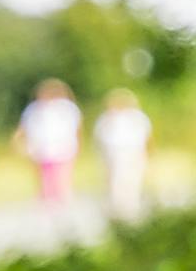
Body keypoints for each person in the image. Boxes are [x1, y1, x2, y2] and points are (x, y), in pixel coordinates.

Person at [15, 78, 82, 203]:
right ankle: (48, 201)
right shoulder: (34, 109)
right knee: (45, 178)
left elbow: (74, 128)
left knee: (61, 177)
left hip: (62, 148)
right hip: (42, 149)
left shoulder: (65, 108)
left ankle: (60, 201)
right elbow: (24, 127)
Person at [94, 86, 154, 222]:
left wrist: (147, 153)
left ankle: (130, 207)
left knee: (132, 180)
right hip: (114, 153)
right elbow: (99, 138)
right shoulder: (106, 119)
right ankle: (117, 208)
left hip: (133, 152)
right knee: (116, 180)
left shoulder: (137, 117)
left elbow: (147, 137)